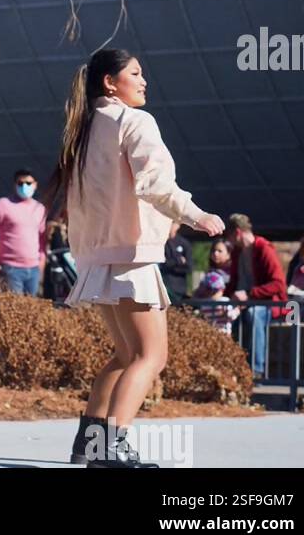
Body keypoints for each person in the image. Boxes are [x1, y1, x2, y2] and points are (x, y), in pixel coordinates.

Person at [46, 48, 224, 468]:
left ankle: (88, 443)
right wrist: (197, 215)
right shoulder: (134, 121)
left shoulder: (85, 130)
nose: (144, 82)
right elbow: (155, 183)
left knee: (126, 355)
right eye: (136, 74)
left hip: (98, 259)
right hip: (132, 256)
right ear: (111, 82)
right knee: (151, 356)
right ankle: (112, 444)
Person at [224, 213, 288, 379]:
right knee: (229, 318)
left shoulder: (263, 248)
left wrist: (250, 294)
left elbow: (278, 284)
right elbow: (234, 281)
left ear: (237, 232)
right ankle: (235, 367)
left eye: (229, 236)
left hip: (268, 304)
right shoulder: (238, 252)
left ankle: (256, 369)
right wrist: (225, 296)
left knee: (253, 315)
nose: (228, 241)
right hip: (245, 303)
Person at [0, 168, 47, 295]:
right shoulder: (3, 205)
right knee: (14, 309)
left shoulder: (40, 209)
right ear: (15, 185)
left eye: (28, 183)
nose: (24, 186)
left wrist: (41, 262)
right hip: (10, 269)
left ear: (35, 185)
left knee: (31, 312)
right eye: (20, 183)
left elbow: (43, 238)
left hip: (33, 270)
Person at [194, 271, 240, 335]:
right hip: (224, 332)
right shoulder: (224, 301)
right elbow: (231, 315)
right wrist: (237, 311)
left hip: (210, 332)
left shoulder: (204, 304)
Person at [160, 221, 192, 303]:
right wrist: (178, 261)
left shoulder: (184, 243)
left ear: (178, 225)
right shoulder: (161, 243)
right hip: (164, 287)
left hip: (179, 289)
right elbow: (162, 264)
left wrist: (171, 265)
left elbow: (189, 267)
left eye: (172, 223)